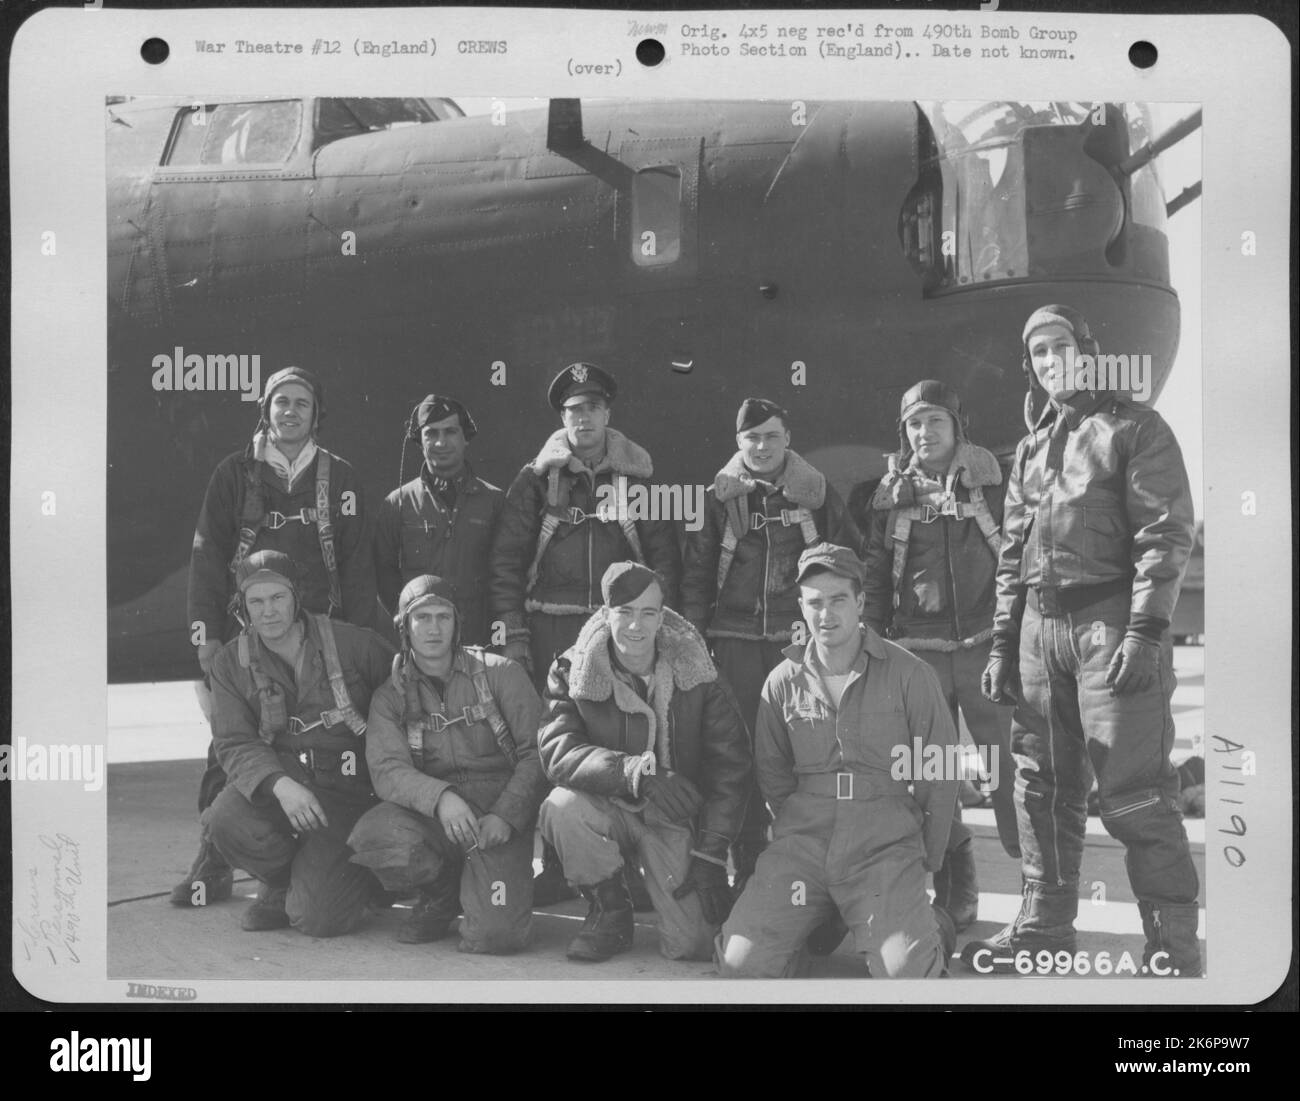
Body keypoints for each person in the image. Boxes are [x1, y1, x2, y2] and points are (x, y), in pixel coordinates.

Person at [964, 304, 1202, 976]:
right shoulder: (1033, 450)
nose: (1049, 361)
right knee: (1040, 786)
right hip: (1040, 633)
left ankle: (1173, 948)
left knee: (1133, 790)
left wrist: (1146, 629)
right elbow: (1013, 553)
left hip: (1108, 624)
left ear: (1088, 350)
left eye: (1060, 346)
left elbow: (1164, 534)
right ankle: (1044, 929)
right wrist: (1004, 644)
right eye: (1037, 352)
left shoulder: (1135, 428)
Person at [172, 366, 379, 907]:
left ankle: (320, 865)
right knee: (231, 746)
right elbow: (206, 555)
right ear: (266, 410)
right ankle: (212, 862)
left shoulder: (343, 478)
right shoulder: (234, 475)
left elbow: (358, 566)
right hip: (251, 635)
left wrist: (356, 637)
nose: (290, 411)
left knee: (326, 746)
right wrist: (206, 639)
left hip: (321, 641)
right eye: (281, 402)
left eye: (301, 404)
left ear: (317, 415)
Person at [717, 544, 958, 978]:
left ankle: (927, 925)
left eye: (838, 600)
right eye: (815, 603)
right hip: (803, 848)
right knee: (741, 965)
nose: (826, 614)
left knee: (906, 975)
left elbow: (938, 777)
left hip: (882, 848)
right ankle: (825, 915)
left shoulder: (910, 675)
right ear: (801, 608)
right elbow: (773, 777)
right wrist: (800, 827)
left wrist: (926, 861)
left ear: (861, 602)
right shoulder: (782, 683)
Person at [490, 363, 682, 904]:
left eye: (592, 408)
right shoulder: (535, 483)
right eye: (574, 411)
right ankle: (557, 864)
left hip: (620, 633)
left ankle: (630, 861)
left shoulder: (642, 481)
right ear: (563, 418)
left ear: (608, 414)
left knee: (625, 737)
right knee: (559, 744)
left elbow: (663, 561)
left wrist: (660, 634)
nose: (584, 419)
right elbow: (507, 563)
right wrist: (514, 636)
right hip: (552, 627)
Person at [854, 380, 1019, 932]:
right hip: (918, 653)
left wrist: (1014, 637)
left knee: (1009, 772)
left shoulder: (993, 483)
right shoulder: (890, 495)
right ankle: (958, 885)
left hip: (987, 648)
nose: (925, 433)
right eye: (915, 424)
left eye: (936, 422)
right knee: (933, 777)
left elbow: (1018, 559)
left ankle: (1038, 894)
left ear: (957, 427)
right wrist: (872, 642)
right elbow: (876, 575)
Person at [681, 398, 861, 890]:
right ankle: (750, 855)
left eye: (771, 437)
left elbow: (848, 562)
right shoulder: (714, 501)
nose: (762, 447)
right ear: (738, 443)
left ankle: (809, 857)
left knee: (808, 748)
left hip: (800, 645)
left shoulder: (817, 496)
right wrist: (696, 645)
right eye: (751, 438)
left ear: (788, 440)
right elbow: (695, 577)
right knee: (737, 751)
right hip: (734, 642)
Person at [537, 563, 751, 962]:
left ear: (662, 616)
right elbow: (557, 751)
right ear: (604, 615)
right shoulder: (572, 668)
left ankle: (651, 884)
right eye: (624, 612)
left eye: (648, 613)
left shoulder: (698, 668)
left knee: (694, 944)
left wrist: (711, 852)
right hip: (608, 803)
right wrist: (637, 773)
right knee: (561, 808)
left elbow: (731, 766)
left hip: (671, 816)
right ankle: (610, 910)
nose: (636, 625)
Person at [348, 575, 548, 953]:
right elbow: (388, 769)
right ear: (404, 627)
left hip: (496, 816)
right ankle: (440, 891)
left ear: (457, 623)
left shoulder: (502, 674)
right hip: (436, 816)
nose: (434, 628)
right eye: (422, 618)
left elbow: (537, 753)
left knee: (496, 937)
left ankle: (487, 883)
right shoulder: (389, 697)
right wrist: (440, 798)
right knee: (374, 834)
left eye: (443, 617)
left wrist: (506, 815)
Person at [202, 551, 393, 936]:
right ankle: (281, 883)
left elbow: (401, 707)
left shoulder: (355, 646)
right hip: (285, 788)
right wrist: (281, 785)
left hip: (348, 797)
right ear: (243, 608)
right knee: (223, 820)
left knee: (317, 920)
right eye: (256, 601)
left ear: (296, 598)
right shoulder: (230, 665)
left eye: (278, 598)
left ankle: (363, 881)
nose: (268, 611)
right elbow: (234, 742)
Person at [373, 395, 504, 647]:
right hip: (420, 641)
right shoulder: (396, 503)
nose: (441, 442)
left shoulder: (495, 502)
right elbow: (383, 576)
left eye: (450, 432)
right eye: (431, 433)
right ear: (419, 441)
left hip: (477, 638)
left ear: (465, 437)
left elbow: (506, 574)